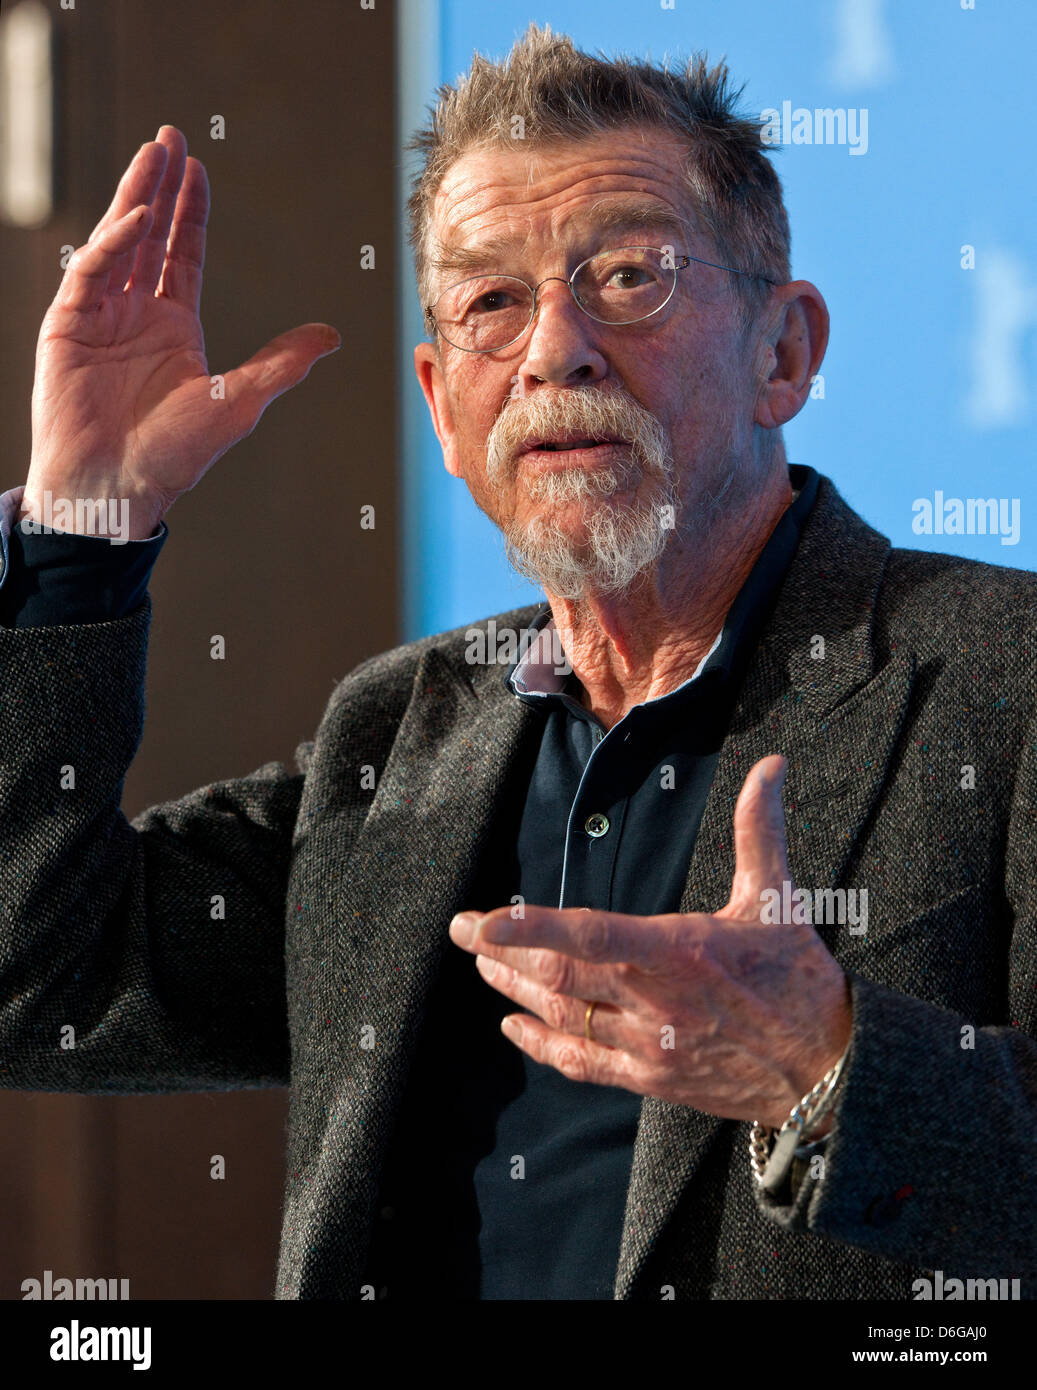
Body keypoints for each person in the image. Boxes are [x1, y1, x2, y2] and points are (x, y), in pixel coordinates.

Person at [0, 22, 1034, 1301]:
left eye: (627, 276)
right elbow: (34, 972)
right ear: (442, 404)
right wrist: (83, 533)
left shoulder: (1003, 678)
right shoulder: (393, 734)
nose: (554, 347)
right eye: (492, 300)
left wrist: (824, 1070)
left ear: (783, 354)